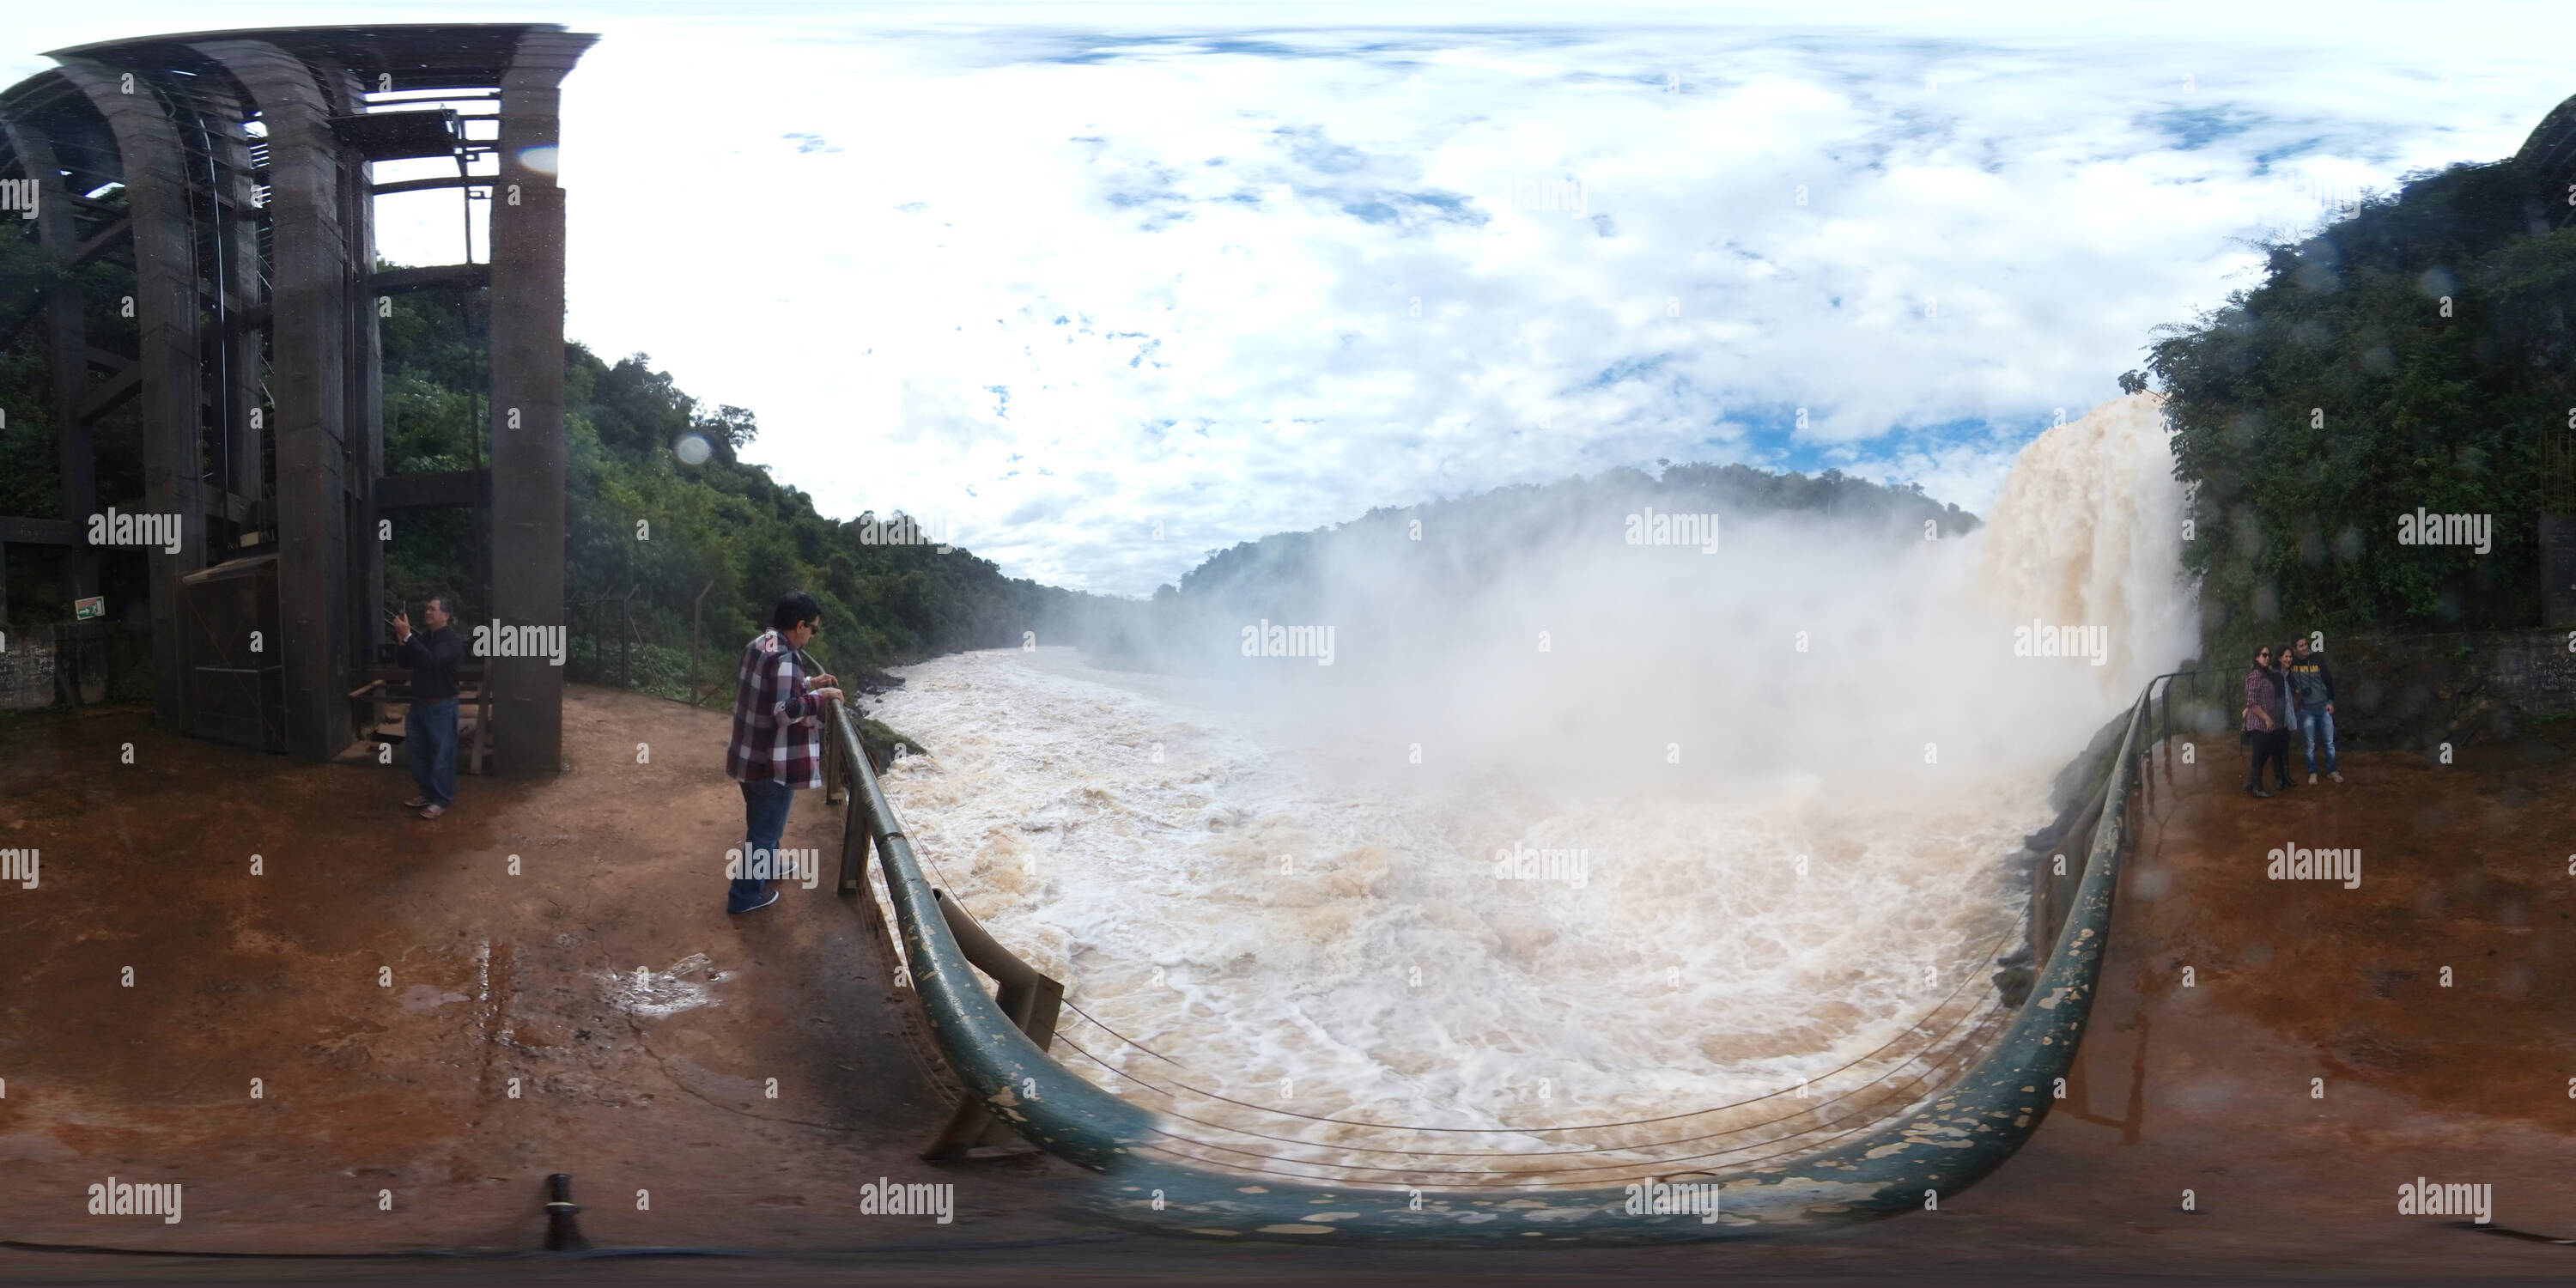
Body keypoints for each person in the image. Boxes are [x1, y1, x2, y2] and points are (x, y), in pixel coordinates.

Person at [723, 592, 843, 914]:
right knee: (766, 831)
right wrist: (820, 695)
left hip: (747, 753)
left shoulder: (760, 644)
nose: (812, 635)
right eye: (813, 629)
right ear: (800, 625)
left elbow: (772, 687)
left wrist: (808, 682)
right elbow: (784, 711)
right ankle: (744, 897)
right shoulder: (787, 657)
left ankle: (770, 865)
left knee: (760, 819)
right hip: (770, 762)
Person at [389, 592, 466, 820]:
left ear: (446, 615)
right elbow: (405, 662)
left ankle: (441, 800)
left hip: (441, 707)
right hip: (419, 705)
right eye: (427, 608)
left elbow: (432, 661)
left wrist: (409, 636)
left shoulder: (452, 641)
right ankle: (427, 793)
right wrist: (402, 639)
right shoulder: (424, 638)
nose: (427, 612)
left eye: (433, 609)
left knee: (441, 756)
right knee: (418, 755)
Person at [2287, 635, 2341, 784]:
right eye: (2301, 646)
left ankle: (2332, 771)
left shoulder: (2317, 659)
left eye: (2306, 644)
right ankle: (2312, 772)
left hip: (2323, 707)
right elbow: (2280, 669)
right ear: (2294, 649)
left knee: (2329, 743)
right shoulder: (2291, 662)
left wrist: (2330, 701)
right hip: (2306, 710)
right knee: (2309, 744)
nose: (2305, 647)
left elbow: (2328, 680)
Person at [2241, 643, 2284, 799]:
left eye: (2268, 655)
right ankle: (2257, 788)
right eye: (2264, 655)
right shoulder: (2255, 675)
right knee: (2261, 754)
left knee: (2262, 753)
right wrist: (2266, 718)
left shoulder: (2265, 673)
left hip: (2265, 722)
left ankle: (2251, 782)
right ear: (2257, 657)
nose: (2267, 658)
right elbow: (2252, 702)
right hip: (2258, 722)